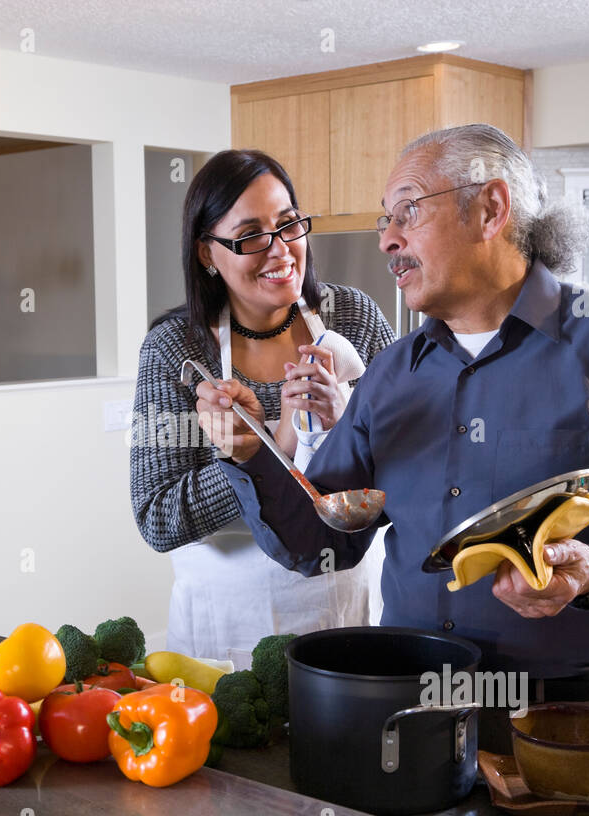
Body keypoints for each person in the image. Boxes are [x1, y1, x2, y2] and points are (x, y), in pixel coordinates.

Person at [196, 124, 589, 790]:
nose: (386, 240)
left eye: (407, 211)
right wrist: (249, 456)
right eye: (384, 221)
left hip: (570, 725)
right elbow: (324, 538)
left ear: (491, 209)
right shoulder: (393, 374)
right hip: (416, 714)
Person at [130, 149, 397, 661]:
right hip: (228, 631)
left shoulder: (354, 317)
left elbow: (409, 464)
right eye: (251, 235)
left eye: (289, 224)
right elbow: (157, 518)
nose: (280, 250)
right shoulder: (176, 350)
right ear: (207, 252)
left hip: (349, 609)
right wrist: (269, 448)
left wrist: (346, 428)